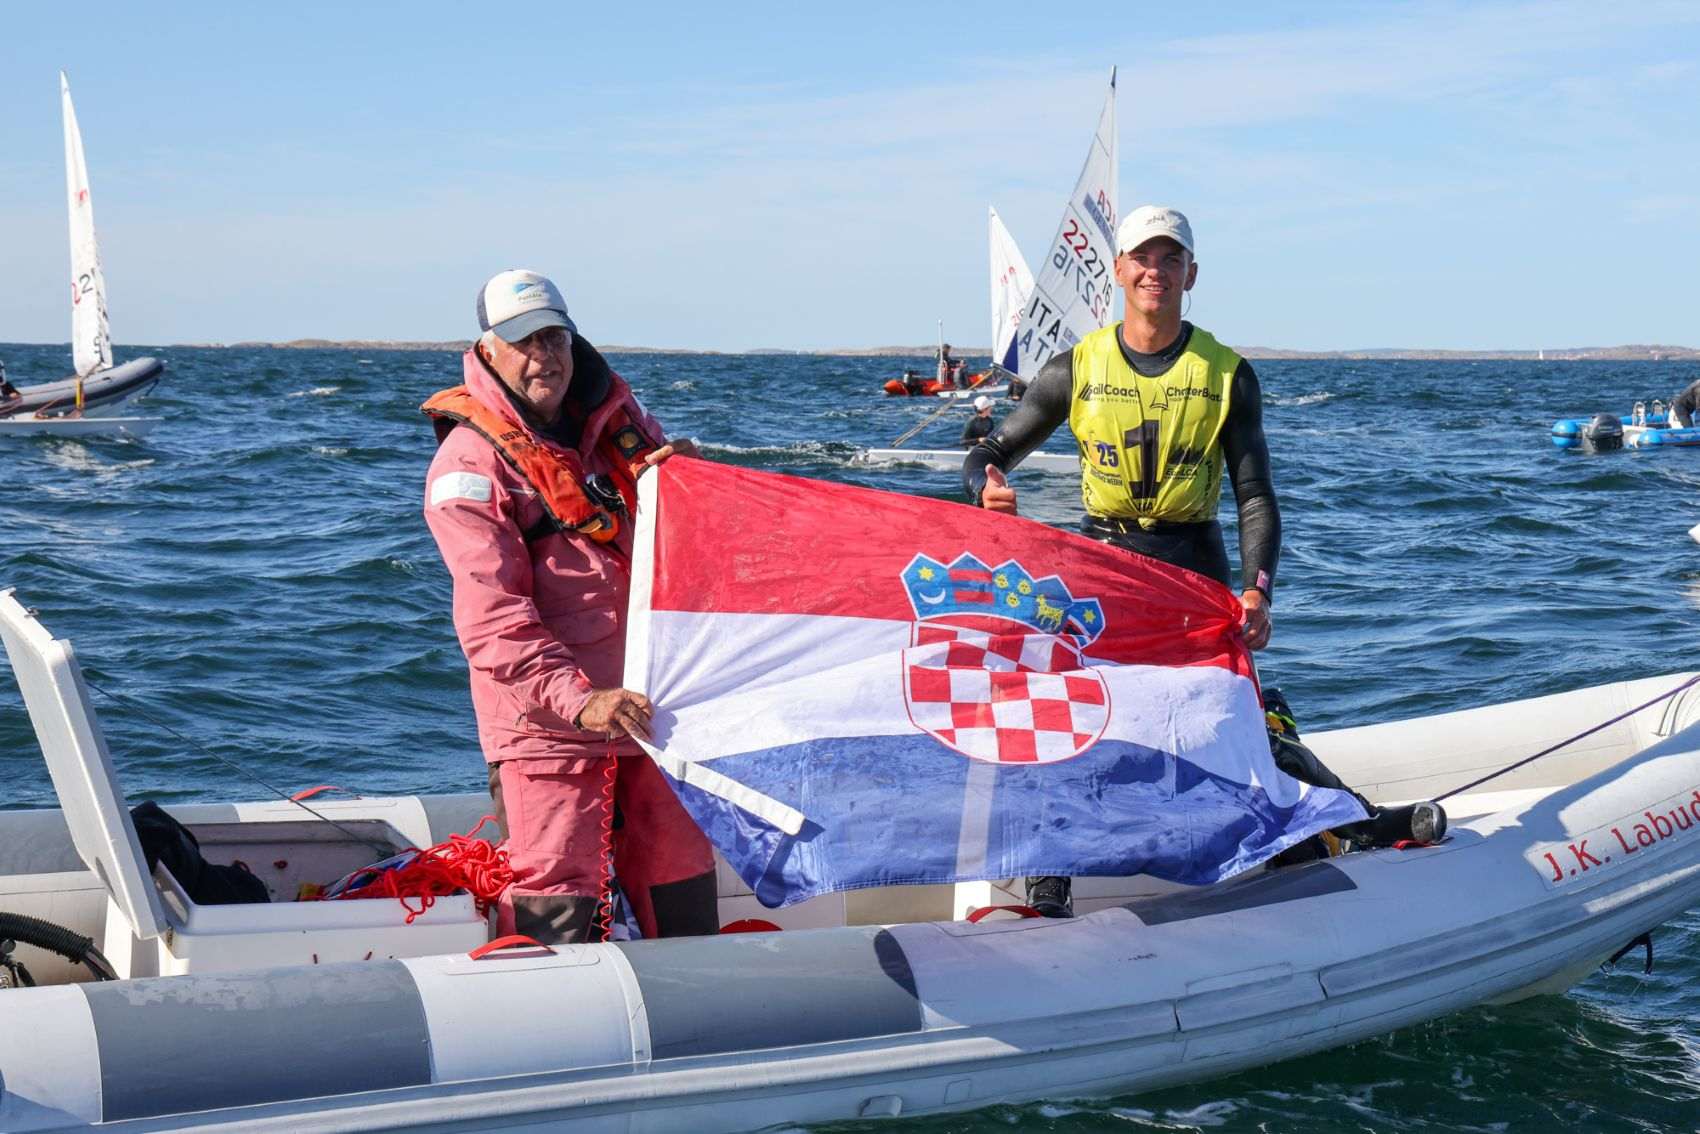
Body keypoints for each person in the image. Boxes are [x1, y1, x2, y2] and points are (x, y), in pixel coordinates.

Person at [962, 206, 1444, 917]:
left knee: (1240, 719)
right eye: (1142, 259)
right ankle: (1050, 872)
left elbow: (1255, 495)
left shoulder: (1227, 374)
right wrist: (988, 487)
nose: (1154, 271)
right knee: (1071, 715)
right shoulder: (1076, 368)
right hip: (1106, 571)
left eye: (1170, 259)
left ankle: (1357, 824)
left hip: (1192, 567)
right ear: (1120, 270)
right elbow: (986, 453)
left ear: (1191, 274)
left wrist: (1258, 590)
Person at [422, 269, 718, 944]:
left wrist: (695, 488)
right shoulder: (468, 467)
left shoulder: (621, 425)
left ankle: (700, 1037)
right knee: (557, 911)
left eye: (554, 337)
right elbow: (492, 620)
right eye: (524, 341)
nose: (544, 356)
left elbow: (681, 546)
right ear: (489, 350)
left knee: (685, 898)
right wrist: (580, 699)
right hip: (547, 733)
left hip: (650, 716)